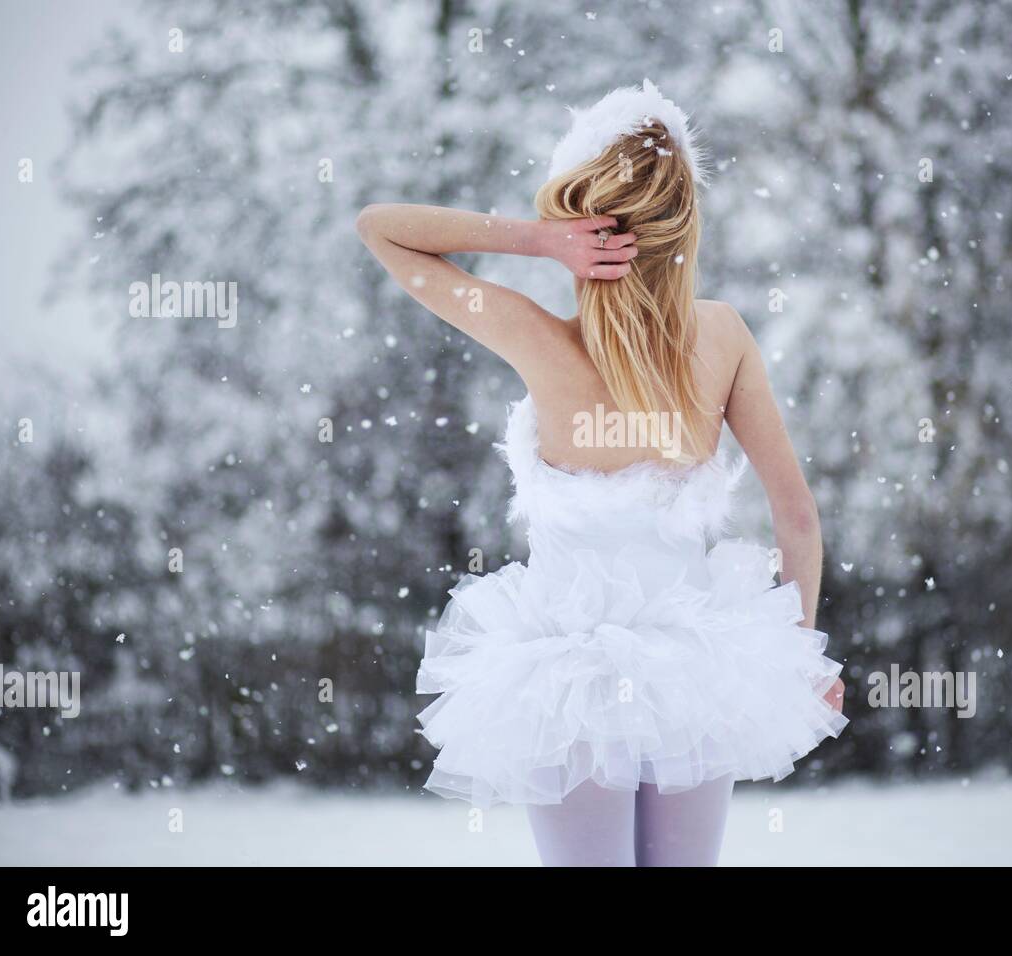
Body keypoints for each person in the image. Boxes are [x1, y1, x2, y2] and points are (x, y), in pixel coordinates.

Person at [356, 79, 846, 867]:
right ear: (683, 226)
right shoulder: (722, 337)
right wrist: (803, 652)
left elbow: (381, 229)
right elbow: (798, 517)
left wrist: (541, 240)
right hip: (701, 663)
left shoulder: (536, 339)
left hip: (569, 679)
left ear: (582, 219)